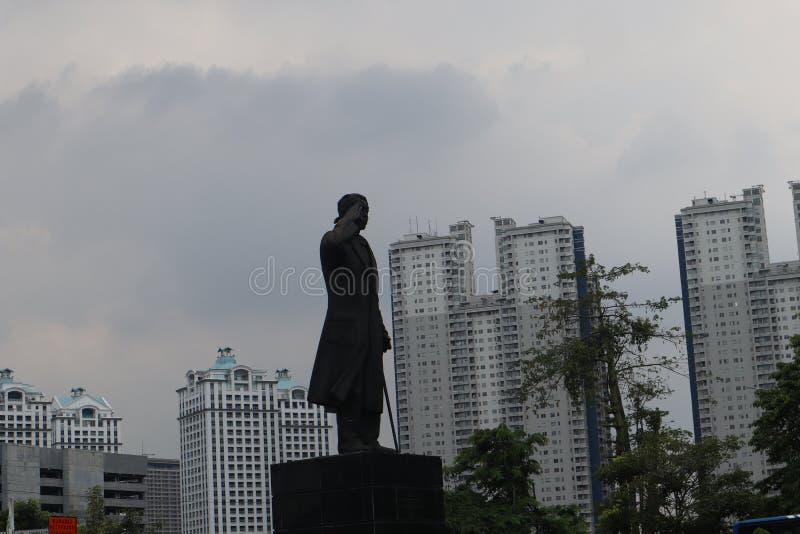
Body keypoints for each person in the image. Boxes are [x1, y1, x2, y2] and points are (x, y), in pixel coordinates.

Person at [308, 193, 395, 453]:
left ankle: (369, 438)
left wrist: (379, 327)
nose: (365, 216)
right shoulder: (333, 240)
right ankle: (350, 439)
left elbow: (371, 292)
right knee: (350, 384)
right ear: (348, 213)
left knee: (371, 382)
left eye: (367, 211)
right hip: (345, 327)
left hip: (367, 325)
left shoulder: (363, 245)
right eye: (361, 210)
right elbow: (335, 241)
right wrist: (349, 220)